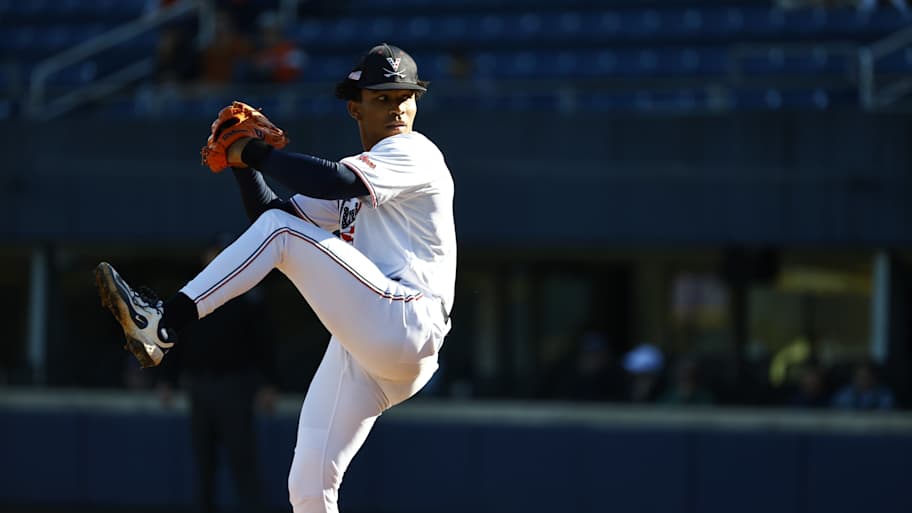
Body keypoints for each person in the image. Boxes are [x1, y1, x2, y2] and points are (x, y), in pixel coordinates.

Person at [94, 43, 455, 513]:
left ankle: (163, 324)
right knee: (308, 485)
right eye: (381, 98)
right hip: (370, 346)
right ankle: (162, 325)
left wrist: (255, 150)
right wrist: (242, 166)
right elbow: (272, 215)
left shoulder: (413, 150)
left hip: (409, 318)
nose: (396, 108)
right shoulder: (365, 173)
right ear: (355, 107)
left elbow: (331, 185)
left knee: (282, 235)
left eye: (404, 96)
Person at [155, 235, 278, 513]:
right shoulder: (191, 294)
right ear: (205, 257)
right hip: (198, 385)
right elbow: (175, 337)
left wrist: (269, 383)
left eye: (223, 253)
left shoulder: (247, 292)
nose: (217, 258)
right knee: (203, 463)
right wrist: (166, 381)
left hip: (235, 385)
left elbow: (264, 341)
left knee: (242, 462)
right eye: (214, 252)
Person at [831, 360, 895, 410]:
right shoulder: (844, 394)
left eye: (866, 377)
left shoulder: (883, 395)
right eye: (859, 377)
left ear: (873, 378)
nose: (862, 381)